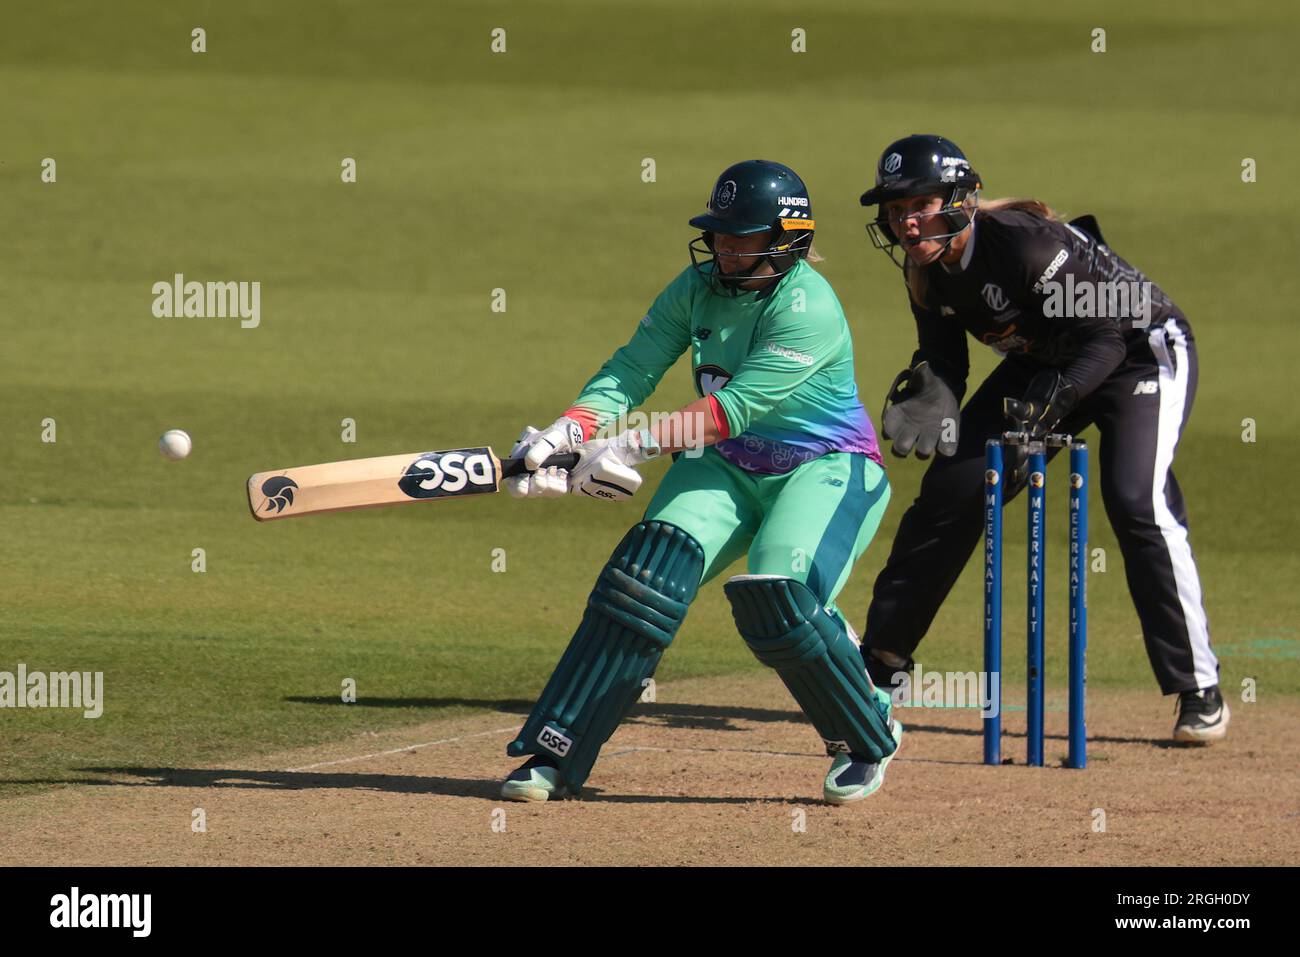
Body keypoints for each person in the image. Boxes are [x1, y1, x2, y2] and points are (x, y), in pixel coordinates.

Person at [498, 159, 899, 803]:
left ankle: (863, 732)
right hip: (728, 467)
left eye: (744, 236)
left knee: (779, 598)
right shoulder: (694, 286)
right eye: (720, 234)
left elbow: (727, 410)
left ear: (787, 238)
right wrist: (566, 433)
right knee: (641, 582)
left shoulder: (808, 307)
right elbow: (633, 369)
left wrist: (629, 445)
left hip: (825, 466)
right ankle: (555, 751)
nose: (726, 248)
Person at [856, 134, 1226, 744]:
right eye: (895, 211)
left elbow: (1105, 338)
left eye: (918, 206)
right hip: (1046, 363)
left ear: (961, 200)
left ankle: (1199, 688)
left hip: (1139, 352)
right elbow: (944, 353)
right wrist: (935, 389)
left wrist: (1050, 404)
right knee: (952, 491)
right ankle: (882, 664)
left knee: (1136, 499)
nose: (906, 223)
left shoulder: (1026, 246)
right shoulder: (925, 269)